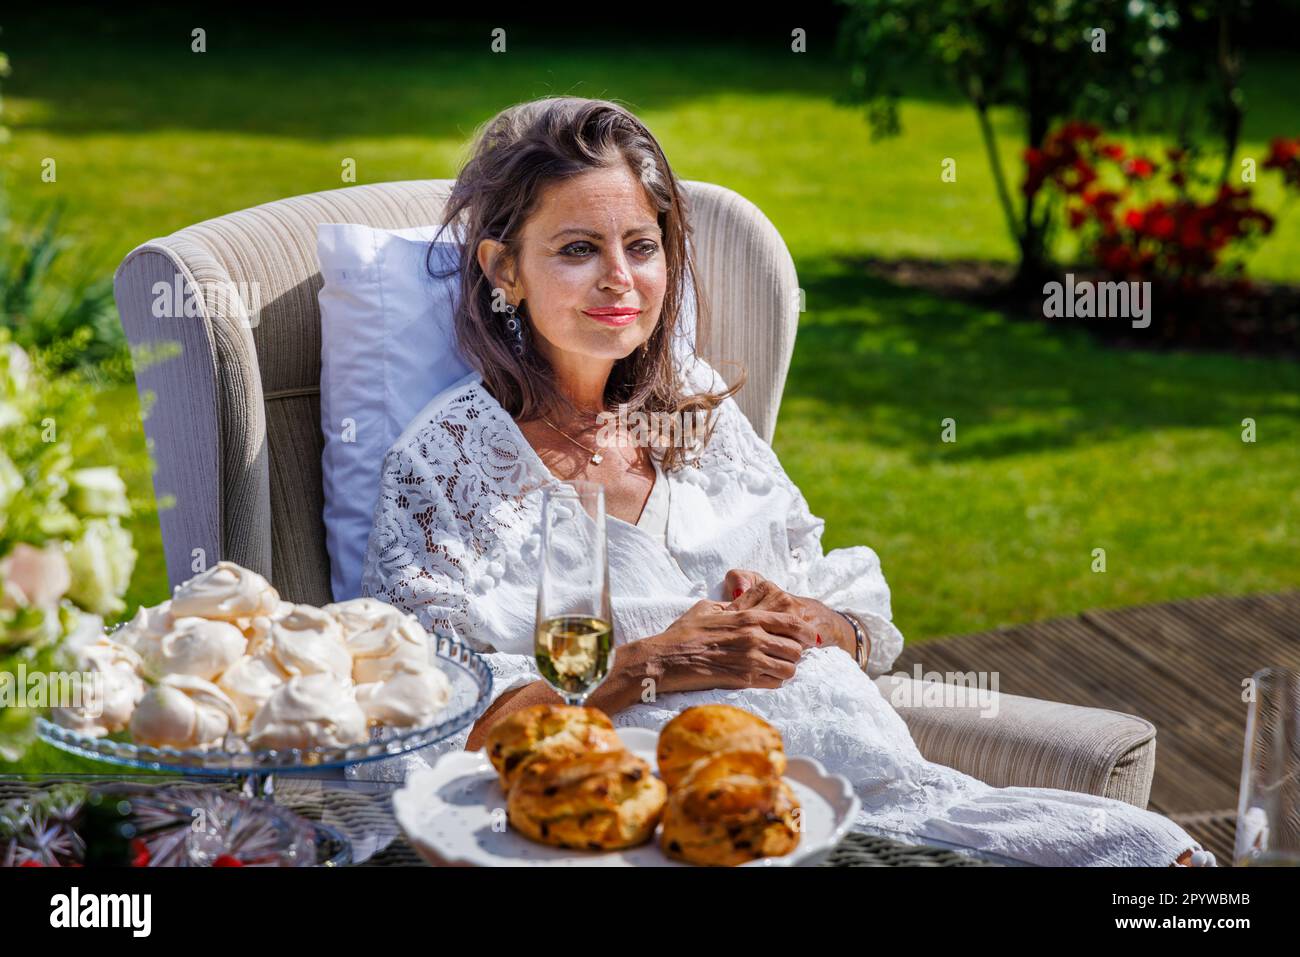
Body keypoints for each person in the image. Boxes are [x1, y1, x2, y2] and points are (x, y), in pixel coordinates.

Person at [356, 96, 1213, 867]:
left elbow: (851, 611)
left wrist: (814, 617)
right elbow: (438, 736)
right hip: (658, 817)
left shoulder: (695, 412)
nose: (621, 278)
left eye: (643, 246)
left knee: (1156, 855)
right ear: (505, 269)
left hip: (878, 793)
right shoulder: (446, 466)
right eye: (579, 249)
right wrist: (649, 664)